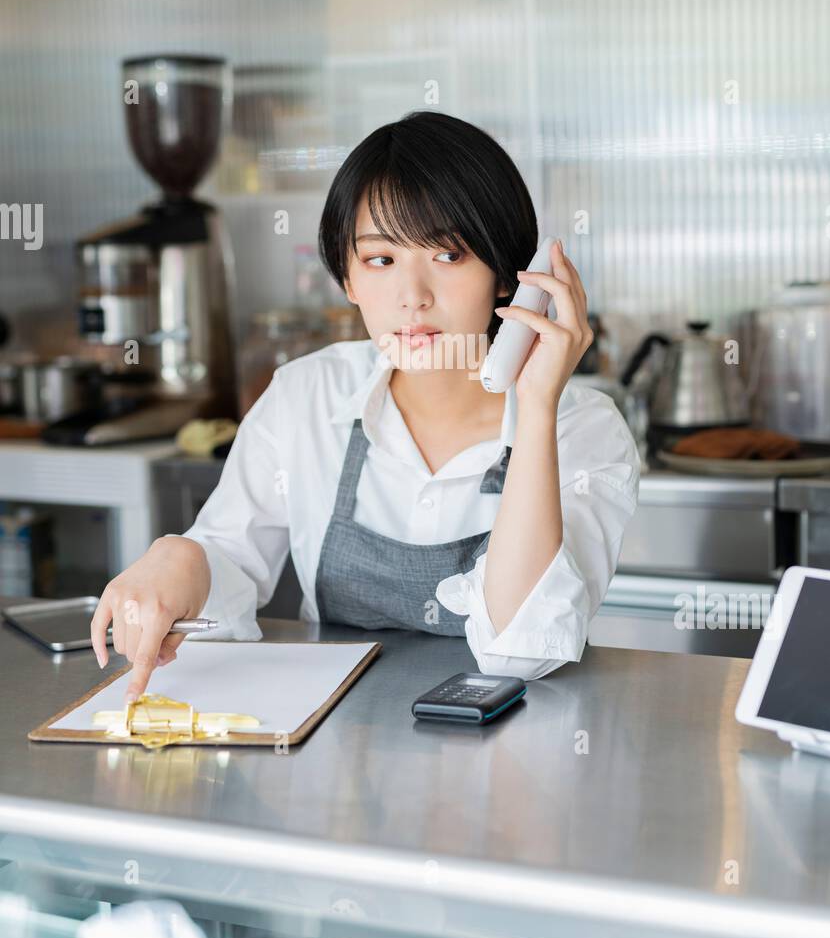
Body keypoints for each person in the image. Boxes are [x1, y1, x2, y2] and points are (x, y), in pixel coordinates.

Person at [91, 110, 640, 700]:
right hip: (331, 758)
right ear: (348, 278)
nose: (413, 298)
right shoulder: (305, 395)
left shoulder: (582, 430)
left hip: (512, 765)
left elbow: (520, 650)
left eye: (449, 256)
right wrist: (180, 556)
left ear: (508, 276)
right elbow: (228, 558)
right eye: (381, 260)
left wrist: (533, 409)